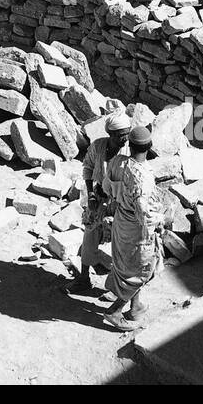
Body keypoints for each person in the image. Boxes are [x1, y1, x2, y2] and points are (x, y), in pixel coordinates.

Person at [100, 123, 165, 331]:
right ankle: (115, 311)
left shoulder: (118, 162)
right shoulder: (144, 177)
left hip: (121, 221)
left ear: (130, 145)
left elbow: (106, 188)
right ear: (150, 146)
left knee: (126, 264)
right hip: (137, 229)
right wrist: (164, 218)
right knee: (141, 268)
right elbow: (145, 215)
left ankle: (136, 307)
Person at [62, 112, 132, 296]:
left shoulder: (130, 152)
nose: (124, 138)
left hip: (121, 204)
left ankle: (117, 288)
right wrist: (91, 194)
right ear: (111, 134)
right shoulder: (98, 146)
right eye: (120, 135)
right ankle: (84, 278)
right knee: (89, 235)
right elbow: (88, 167)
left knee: (119, 245)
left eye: (127, 133)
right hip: (99, 201)